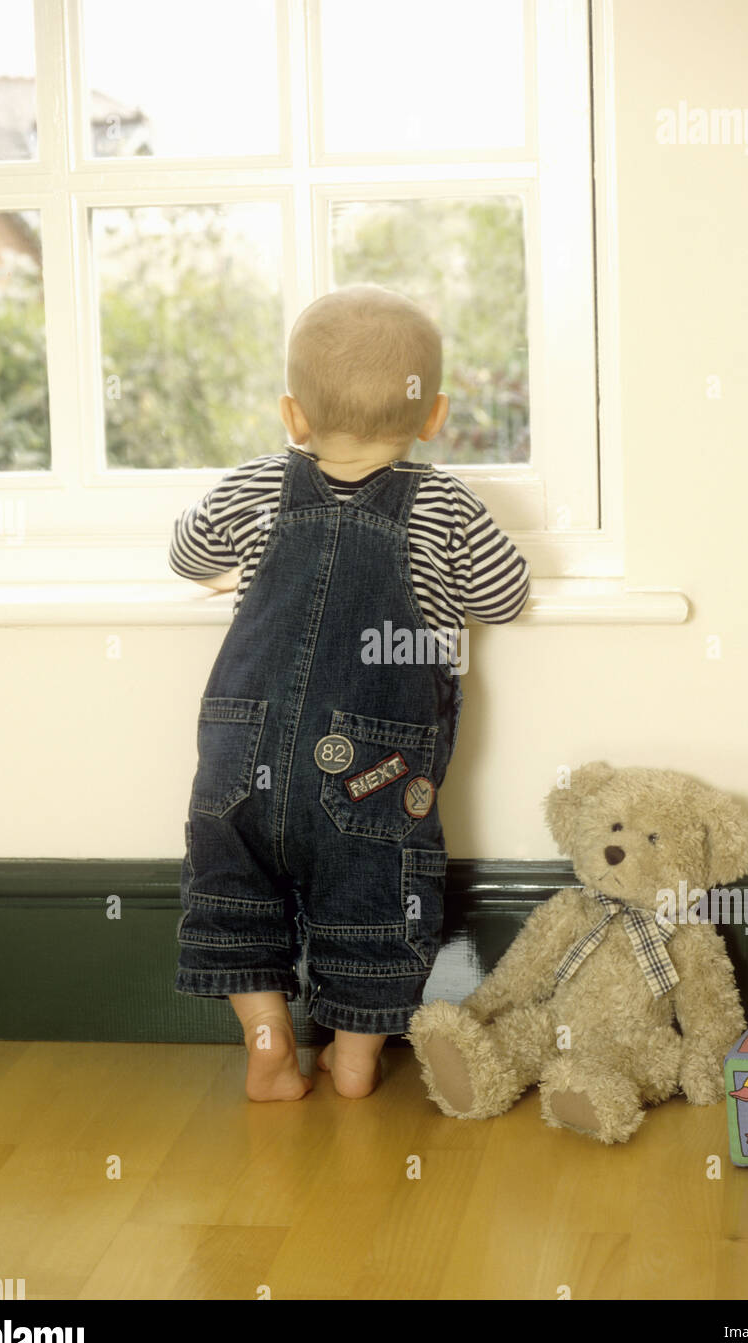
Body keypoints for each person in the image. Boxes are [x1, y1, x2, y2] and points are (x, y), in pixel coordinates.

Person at [170, 284, 530, 1102]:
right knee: (376, 905)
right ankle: (356, 1062)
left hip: (241, 758)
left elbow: (188, 555)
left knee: (232, 897)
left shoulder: (258, 485)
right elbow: (505, 596)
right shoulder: (444, 505)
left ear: (293, 416)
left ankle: (269, 1050)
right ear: (432, 416)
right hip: (375, 768)